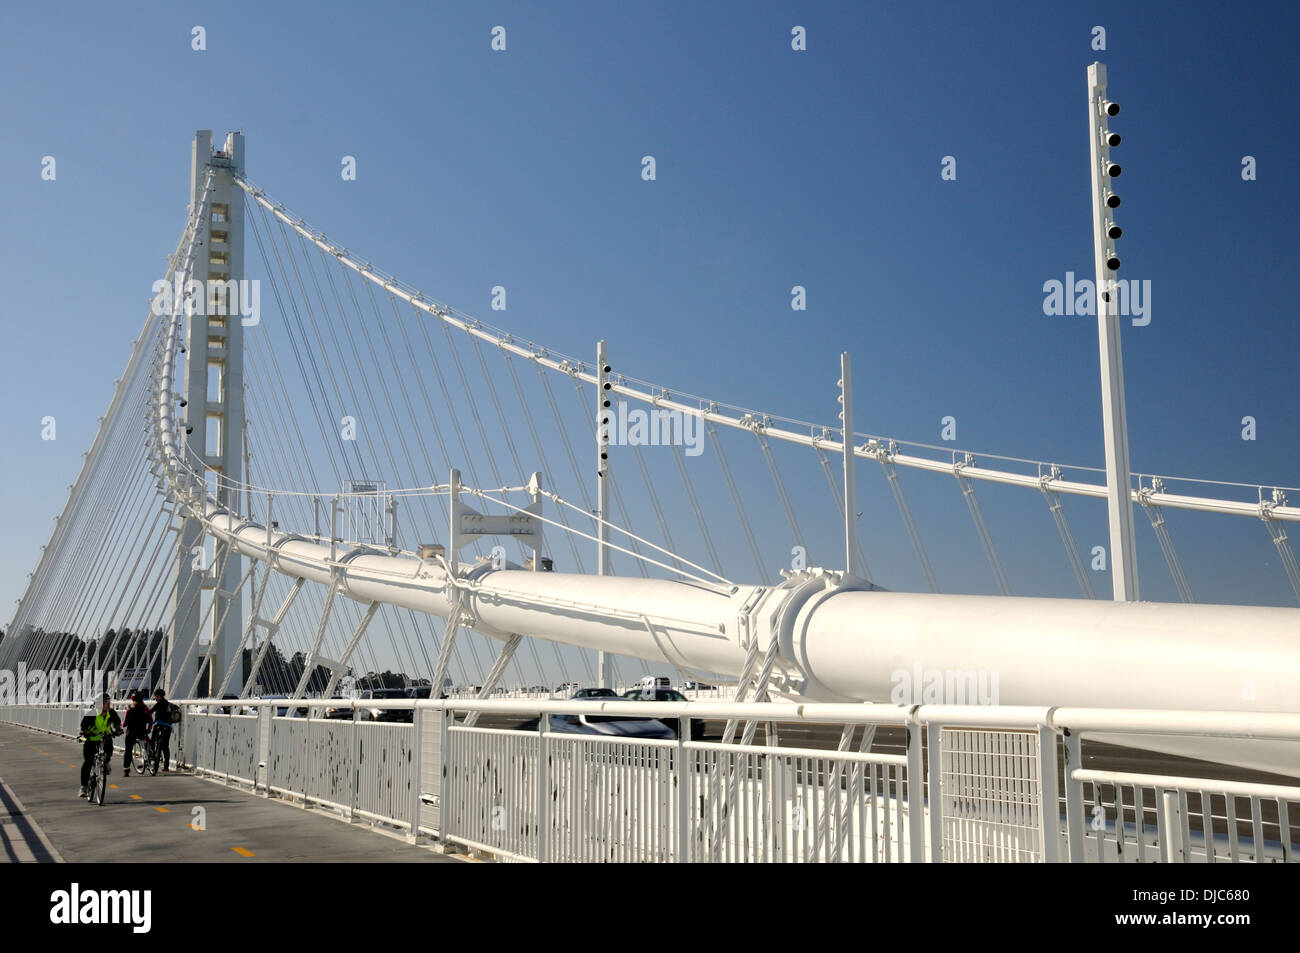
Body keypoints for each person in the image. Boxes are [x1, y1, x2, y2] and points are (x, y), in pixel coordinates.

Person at [78, 693, 122, 798]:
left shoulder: (111, 713)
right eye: (106, 702)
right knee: (88, 762)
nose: (108, 704)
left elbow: (117, 722)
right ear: (99, 704)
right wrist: (87, 732)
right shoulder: (91, 714)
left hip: (104, 738)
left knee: (109, 743)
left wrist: (117, 729)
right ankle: (83, 787)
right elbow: (83, 727)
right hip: (92, 740)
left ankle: (106, 761)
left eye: (109, 702)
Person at [121, 691, 153, 776]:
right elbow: (150, 720)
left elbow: (125, 724)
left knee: (128, 751)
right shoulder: (145, 709)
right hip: (142, 732)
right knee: (148, 746)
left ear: (132, 699)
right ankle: (150, 761)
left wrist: (120, 724)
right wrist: (149, 729)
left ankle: (126, 770)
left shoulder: (130, 709)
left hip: (131, 733)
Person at [150, 688, 174, 772]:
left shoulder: (159, 704)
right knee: (165, 746)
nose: (155, 698)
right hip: (168, 727)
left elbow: (151, 711)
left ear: (158, 696)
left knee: (152, 741)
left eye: (155, 696)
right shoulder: (168, 704)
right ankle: (166, 766)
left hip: (159, 725)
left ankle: (152, 758)